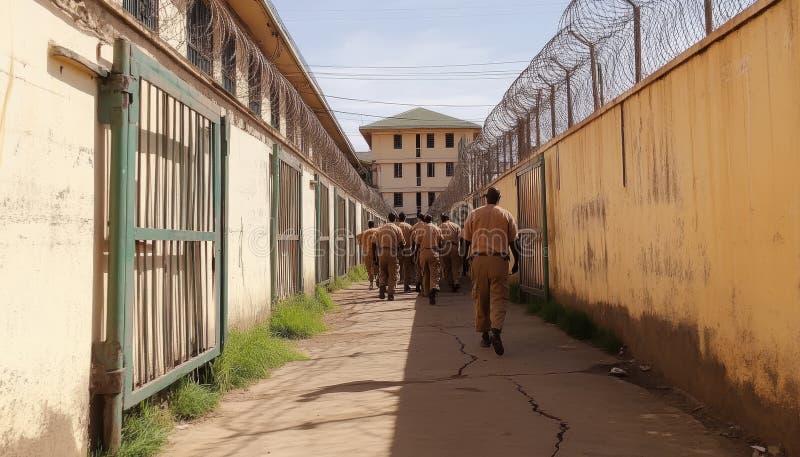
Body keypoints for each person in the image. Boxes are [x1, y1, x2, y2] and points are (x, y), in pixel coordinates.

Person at [462, 187, 520, 356]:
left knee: (481, 296)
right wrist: (517, 260)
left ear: (485, 198)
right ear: (499, 198)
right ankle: (496, 330)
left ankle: (485, 335)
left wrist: (465, 260)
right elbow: (513, 242)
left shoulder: (474, 214)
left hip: (478, 259)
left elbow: (466, 240)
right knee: (499, 296)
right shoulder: (506, 215)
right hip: (499, 260)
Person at [375, 212, 405, 301]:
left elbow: (376, 242)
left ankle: (381, 288)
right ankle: (390, 294)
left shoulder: (381, 228)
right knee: (393, 273)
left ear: (388, 218)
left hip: (382, 252)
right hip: (392, 252)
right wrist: (400, 250)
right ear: (395, 219)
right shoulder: (397, 228)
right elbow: (402, 243)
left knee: (382, 271)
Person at [414, 214, 443, 304]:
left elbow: (417, 242)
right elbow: (440, 241)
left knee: (425, 272)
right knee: (434, 273)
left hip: (423, 252)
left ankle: (426, 292)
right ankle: (433, 287)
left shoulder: (420, 229)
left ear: (424, 220)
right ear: (431, 220)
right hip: (433, 252)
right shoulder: (437, 228)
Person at [439, 214, 462, 292]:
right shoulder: (456, 226)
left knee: (447, 267)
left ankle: (450, 282)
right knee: (455, 266)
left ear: (442, 219)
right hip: (454, 246)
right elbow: (460, 237)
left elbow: (437, 239)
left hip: (444, 248)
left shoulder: (439, 227)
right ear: (448, 218)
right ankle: (456, 281)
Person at [395, 212, 415, 293]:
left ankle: (393, 284)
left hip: (397, 250)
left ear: (399, 218)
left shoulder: (395, 226)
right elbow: (414, 239)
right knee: (407, 268)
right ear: (405, 218)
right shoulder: (409, 227)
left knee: (396, 267)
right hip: (407, 250)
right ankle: (406, 286)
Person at [358, 220, 379, 290]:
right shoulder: (377, 230)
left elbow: (358, 240)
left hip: (366, 253)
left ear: (368, 225)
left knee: (369, 268)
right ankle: (378, 279)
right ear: (374, 225)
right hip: (375, 252)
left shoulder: (364, 232)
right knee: (377, 266)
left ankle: (371, 283)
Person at [410, 212, 426, 292]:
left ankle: (417, 285)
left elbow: (413, 240)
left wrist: (413, 252)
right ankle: (425, 286)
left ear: (418, 218)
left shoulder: (415, 226)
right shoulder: (427, 225)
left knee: (418, 268)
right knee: (425, 269)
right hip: (427, 248)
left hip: (418, 249)